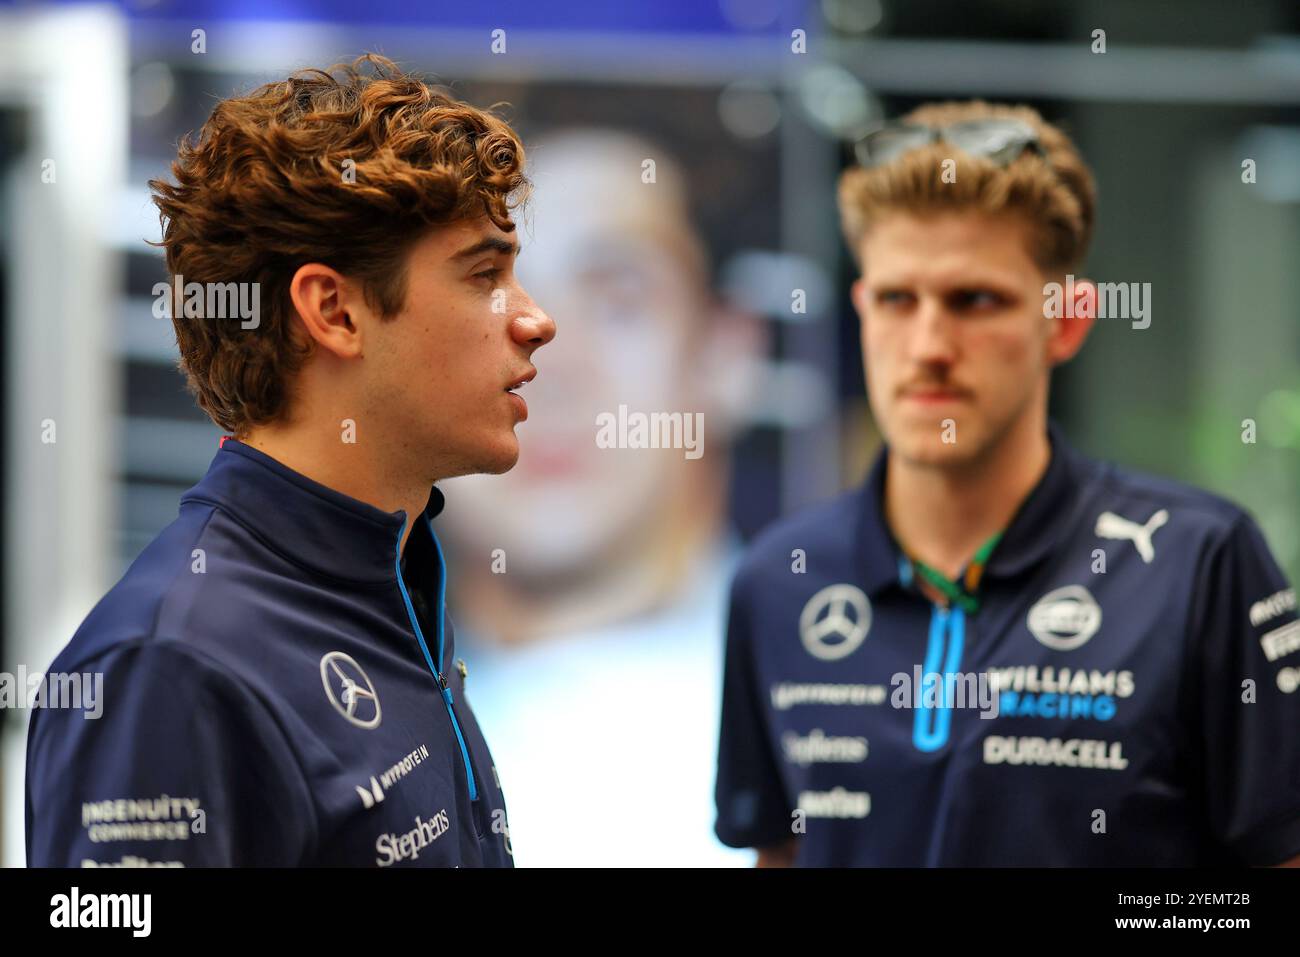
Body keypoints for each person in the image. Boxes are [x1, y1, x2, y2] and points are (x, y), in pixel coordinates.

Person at [714, 100, 1300, 867]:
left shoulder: (1198, 565)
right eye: (897, 299)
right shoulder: (778, 580)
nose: (927, 346)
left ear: (1066, 320)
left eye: (974, 300)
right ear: (861, 310)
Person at [25, 54, 554, 867]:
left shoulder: (392, 575)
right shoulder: (167, 669)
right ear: (334, 311)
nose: (534, 320)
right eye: (484, 274)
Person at [440, 130, 760, 866]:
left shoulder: (852, 738)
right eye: (484, 302)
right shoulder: (292, 723)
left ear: (726, 355)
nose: (551, 366)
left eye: (617, 300)